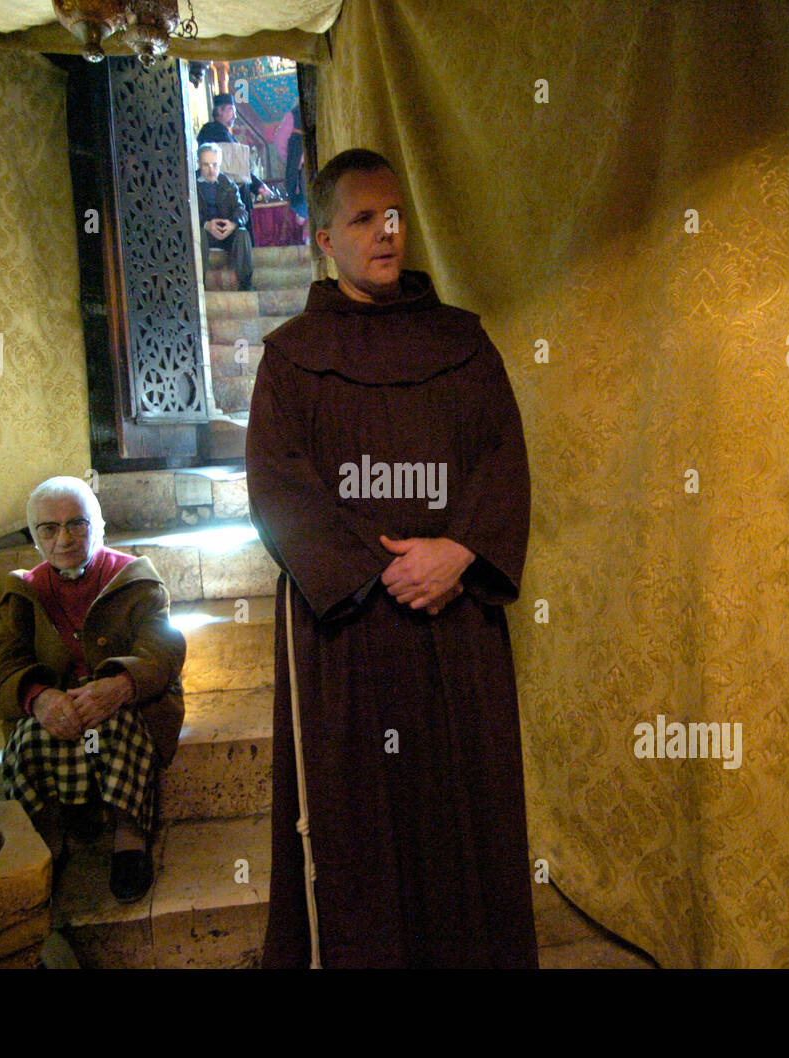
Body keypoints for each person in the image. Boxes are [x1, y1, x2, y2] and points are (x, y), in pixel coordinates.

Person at [246, 148, 537, 967]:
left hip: (455, 627)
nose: (387, 232)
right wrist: (375, 573)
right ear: (324, 239)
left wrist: (460, 552)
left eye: (395, 216)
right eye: (364, 218)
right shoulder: (290, 357)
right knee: (356, 832)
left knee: (462, 821)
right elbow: (277, 488)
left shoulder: (465, 344)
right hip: (346, 639)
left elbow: (502, 461)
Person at [0, 476, 185, 903]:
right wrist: (39, 698)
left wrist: (120, 685)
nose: (64, 538)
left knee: (113, 732)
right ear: (36, 536)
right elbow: (4, 666)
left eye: (78, 524)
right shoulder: (24, 591)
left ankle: (129, 835)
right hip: (61, 706)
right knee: (29, 740)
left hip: (119, 698)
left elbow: (163, 649)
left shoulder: (136, 580)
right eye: (49, 528)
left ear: (100, 526)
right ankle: (50, 833)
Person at [196, 143, 254, 292]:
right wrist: (206, 225)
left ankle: (245, 284)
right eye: (206, 165)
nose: (211, 170)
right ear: (198, 164)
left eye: (215, 165)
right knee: (198, 234)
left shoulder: (229, 185)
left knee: (242, 233)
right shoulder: (191, 185)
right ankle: (198, 285)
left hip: (227, 232)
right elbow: (186, 214)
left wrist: (233, 224)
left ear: (220, 164)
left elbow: (242, 211)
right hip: (205, 233)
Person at [196, 92, 273, 202]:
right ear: (219, 111)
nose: (235, 116)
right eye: (231, 110)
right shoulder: (213, 131)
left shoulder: (226, 134)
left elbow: (239, 167)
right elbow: (235, 166)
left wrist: (258, 186)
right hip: (226, 198)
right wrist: (258, 185)